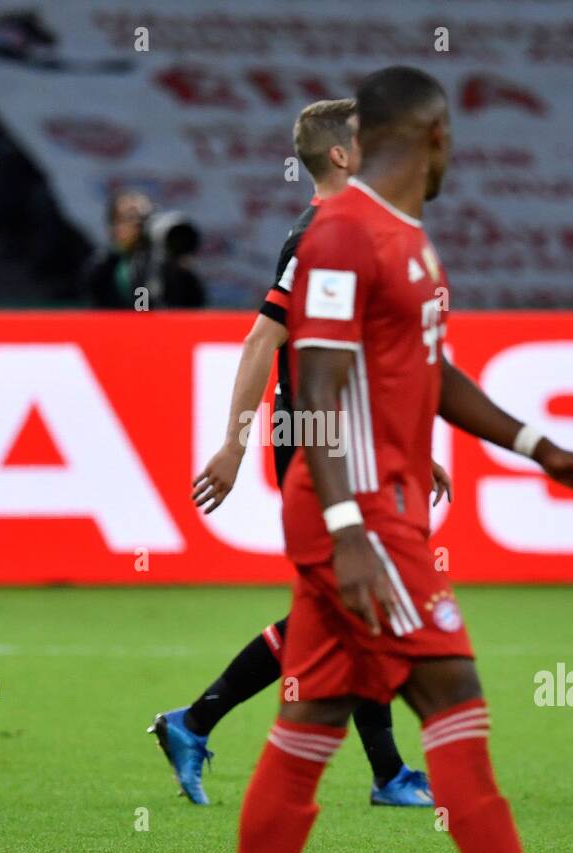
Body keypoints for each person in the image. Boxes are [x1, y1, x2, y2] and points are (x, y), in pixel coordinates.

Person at [234, 67, 573, 853]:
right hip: (360, 512)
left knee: (312, 721)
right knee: (456, 701)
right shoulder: (340, 234)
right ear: (437, 137)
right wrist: (347, 529)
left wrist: (540, 449)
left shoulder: (405, 239)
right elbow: (318, 389)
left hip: (376, 509)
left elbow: (431, 372)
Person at [153, 99, 441, 809]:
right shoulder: (319, 236)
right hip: (319, 443)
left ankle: (196, 724)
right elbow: (263, 341)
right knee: (356, 602)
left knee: (347, 608)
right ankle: (381, 771)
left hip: (360, 441)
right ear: (342, 156)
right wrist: (232, 442)